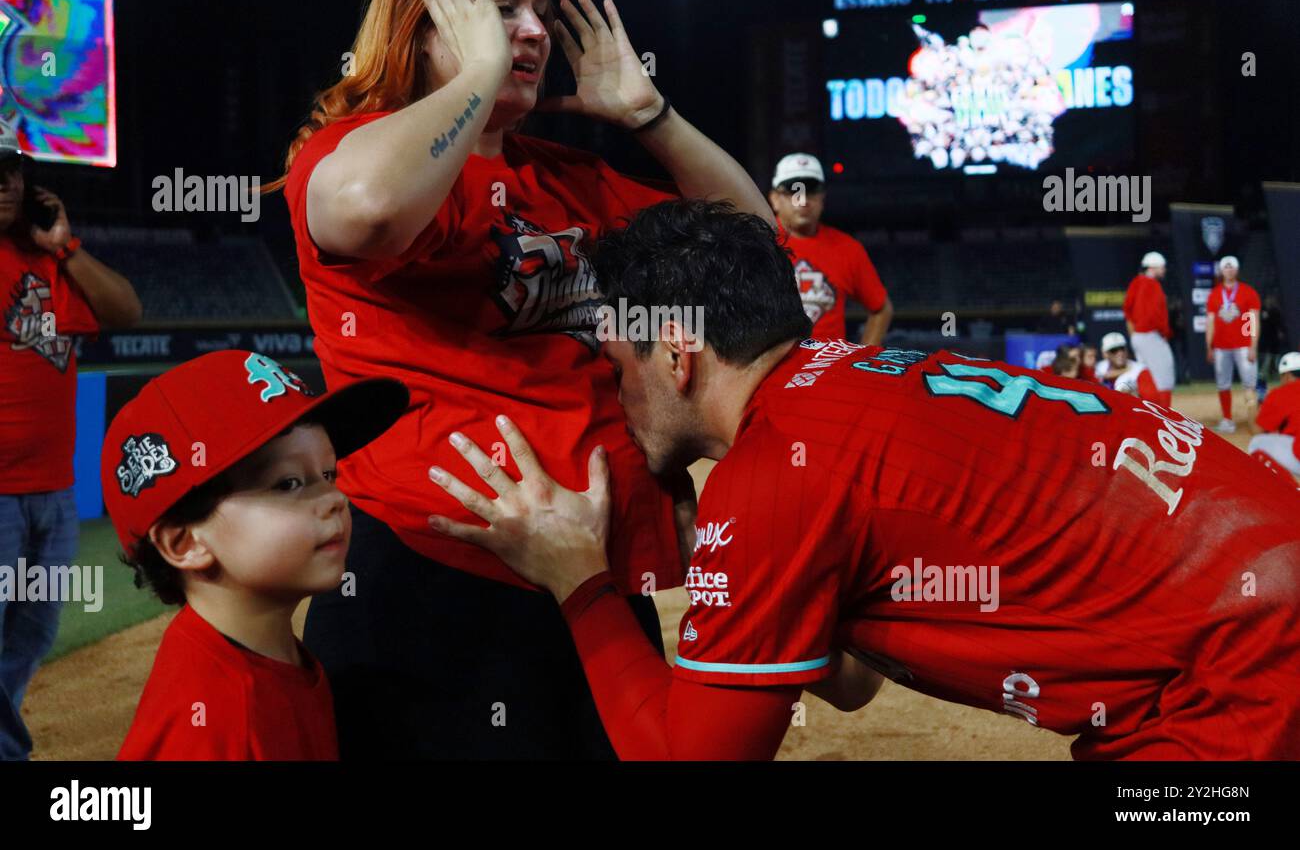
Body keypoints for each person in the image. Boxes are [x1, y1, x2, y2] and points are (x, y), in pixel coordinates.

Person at [430, 201, 1299, 760]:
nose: (613, 388)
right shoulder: (855, 374)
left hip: (1244, 687)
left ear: (677, 352)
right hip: (1255, 597)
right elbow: (851, 681)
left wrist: (576, 579)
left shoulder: (777, 471)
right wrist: (746, 593)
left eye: (617, 363)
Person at [265, 0, 774, 758]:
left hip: (592, 581)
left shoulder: (566, 178)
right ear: (420, 18)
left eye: (538, 8)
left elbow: (755, 247)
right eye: (501, 7)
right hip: (435, 582)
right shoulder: (349, 153)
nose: (534, 30)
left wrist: (651, 117)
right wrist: (480, 74)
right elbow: (367, 211)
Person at [106, 350, 408, 760]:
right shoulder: (217, 722)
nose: (335, 498)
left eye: (329, 474)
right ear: (185, 544)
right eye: (287, 483)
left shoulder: (264, 654)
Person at [0, 123, 142, 760]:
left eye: (10, 169)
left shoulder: (48, 260)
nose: (3, 182)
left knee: (31, 636)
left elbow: (126, 313)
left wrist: (66, 247)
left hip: (53, 494)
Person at [767, 153, 891, 344]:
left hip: (827, 370)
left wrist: (863, 359)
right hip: (773, 371)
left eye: (812, 190)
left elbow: (881, 309)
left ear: (822, 196)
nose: (803, 200)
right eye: (794, 191)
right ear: (775, 198)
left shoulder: (847, 249)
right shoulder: (758, 243)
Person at [1204, 256, 1261, 433]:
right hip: (1221, 346)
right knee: (1223, 384)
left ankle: (1254, 421)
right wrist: (1209, 345)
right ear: (1222, 271)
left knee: (1250, 384)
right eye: (1226, 268)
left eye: (1232, 268)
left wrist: (1253, 346)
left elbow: (1253, 320)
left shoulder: (1248, 292)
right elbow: (1210, 322)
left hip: (1244, 345)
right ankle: (1227, 420)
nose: (1229, 271)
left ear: (1236, 270)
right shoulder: (1214, 294)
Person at [1123, 250, 1174, 406]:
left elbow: (1127, 309)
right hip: (1151, 335)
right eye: (1161, 267)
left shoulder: (1136, 282)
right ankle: (1165, 418)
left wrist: (1133, 334)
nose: (1164, 270)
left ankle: (1149, 417)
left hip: (1138, 336)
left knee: (1146, 377)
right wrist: (1165, 331)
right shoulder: (1153, 284)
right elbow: (1155, 314)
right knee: (1164, 379)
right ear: (1151, 268)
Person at [1247, 351, 1300, 482]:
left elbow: (1256, 430)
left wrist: (1251, 403)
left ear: (1287, 375)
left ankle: (1289, 491)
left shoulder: (1282, 393)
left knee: (1257, 443)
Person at [1094, 332, 1160, 403]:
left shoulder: (1140, 370)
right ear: (1105, 354)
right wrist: (1124, 370)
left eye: (1122, 348)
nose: (1120, 353)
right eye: (1114, 350)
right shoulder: (1099, 367)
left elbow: (1154, 403)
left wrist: (1135, 396)